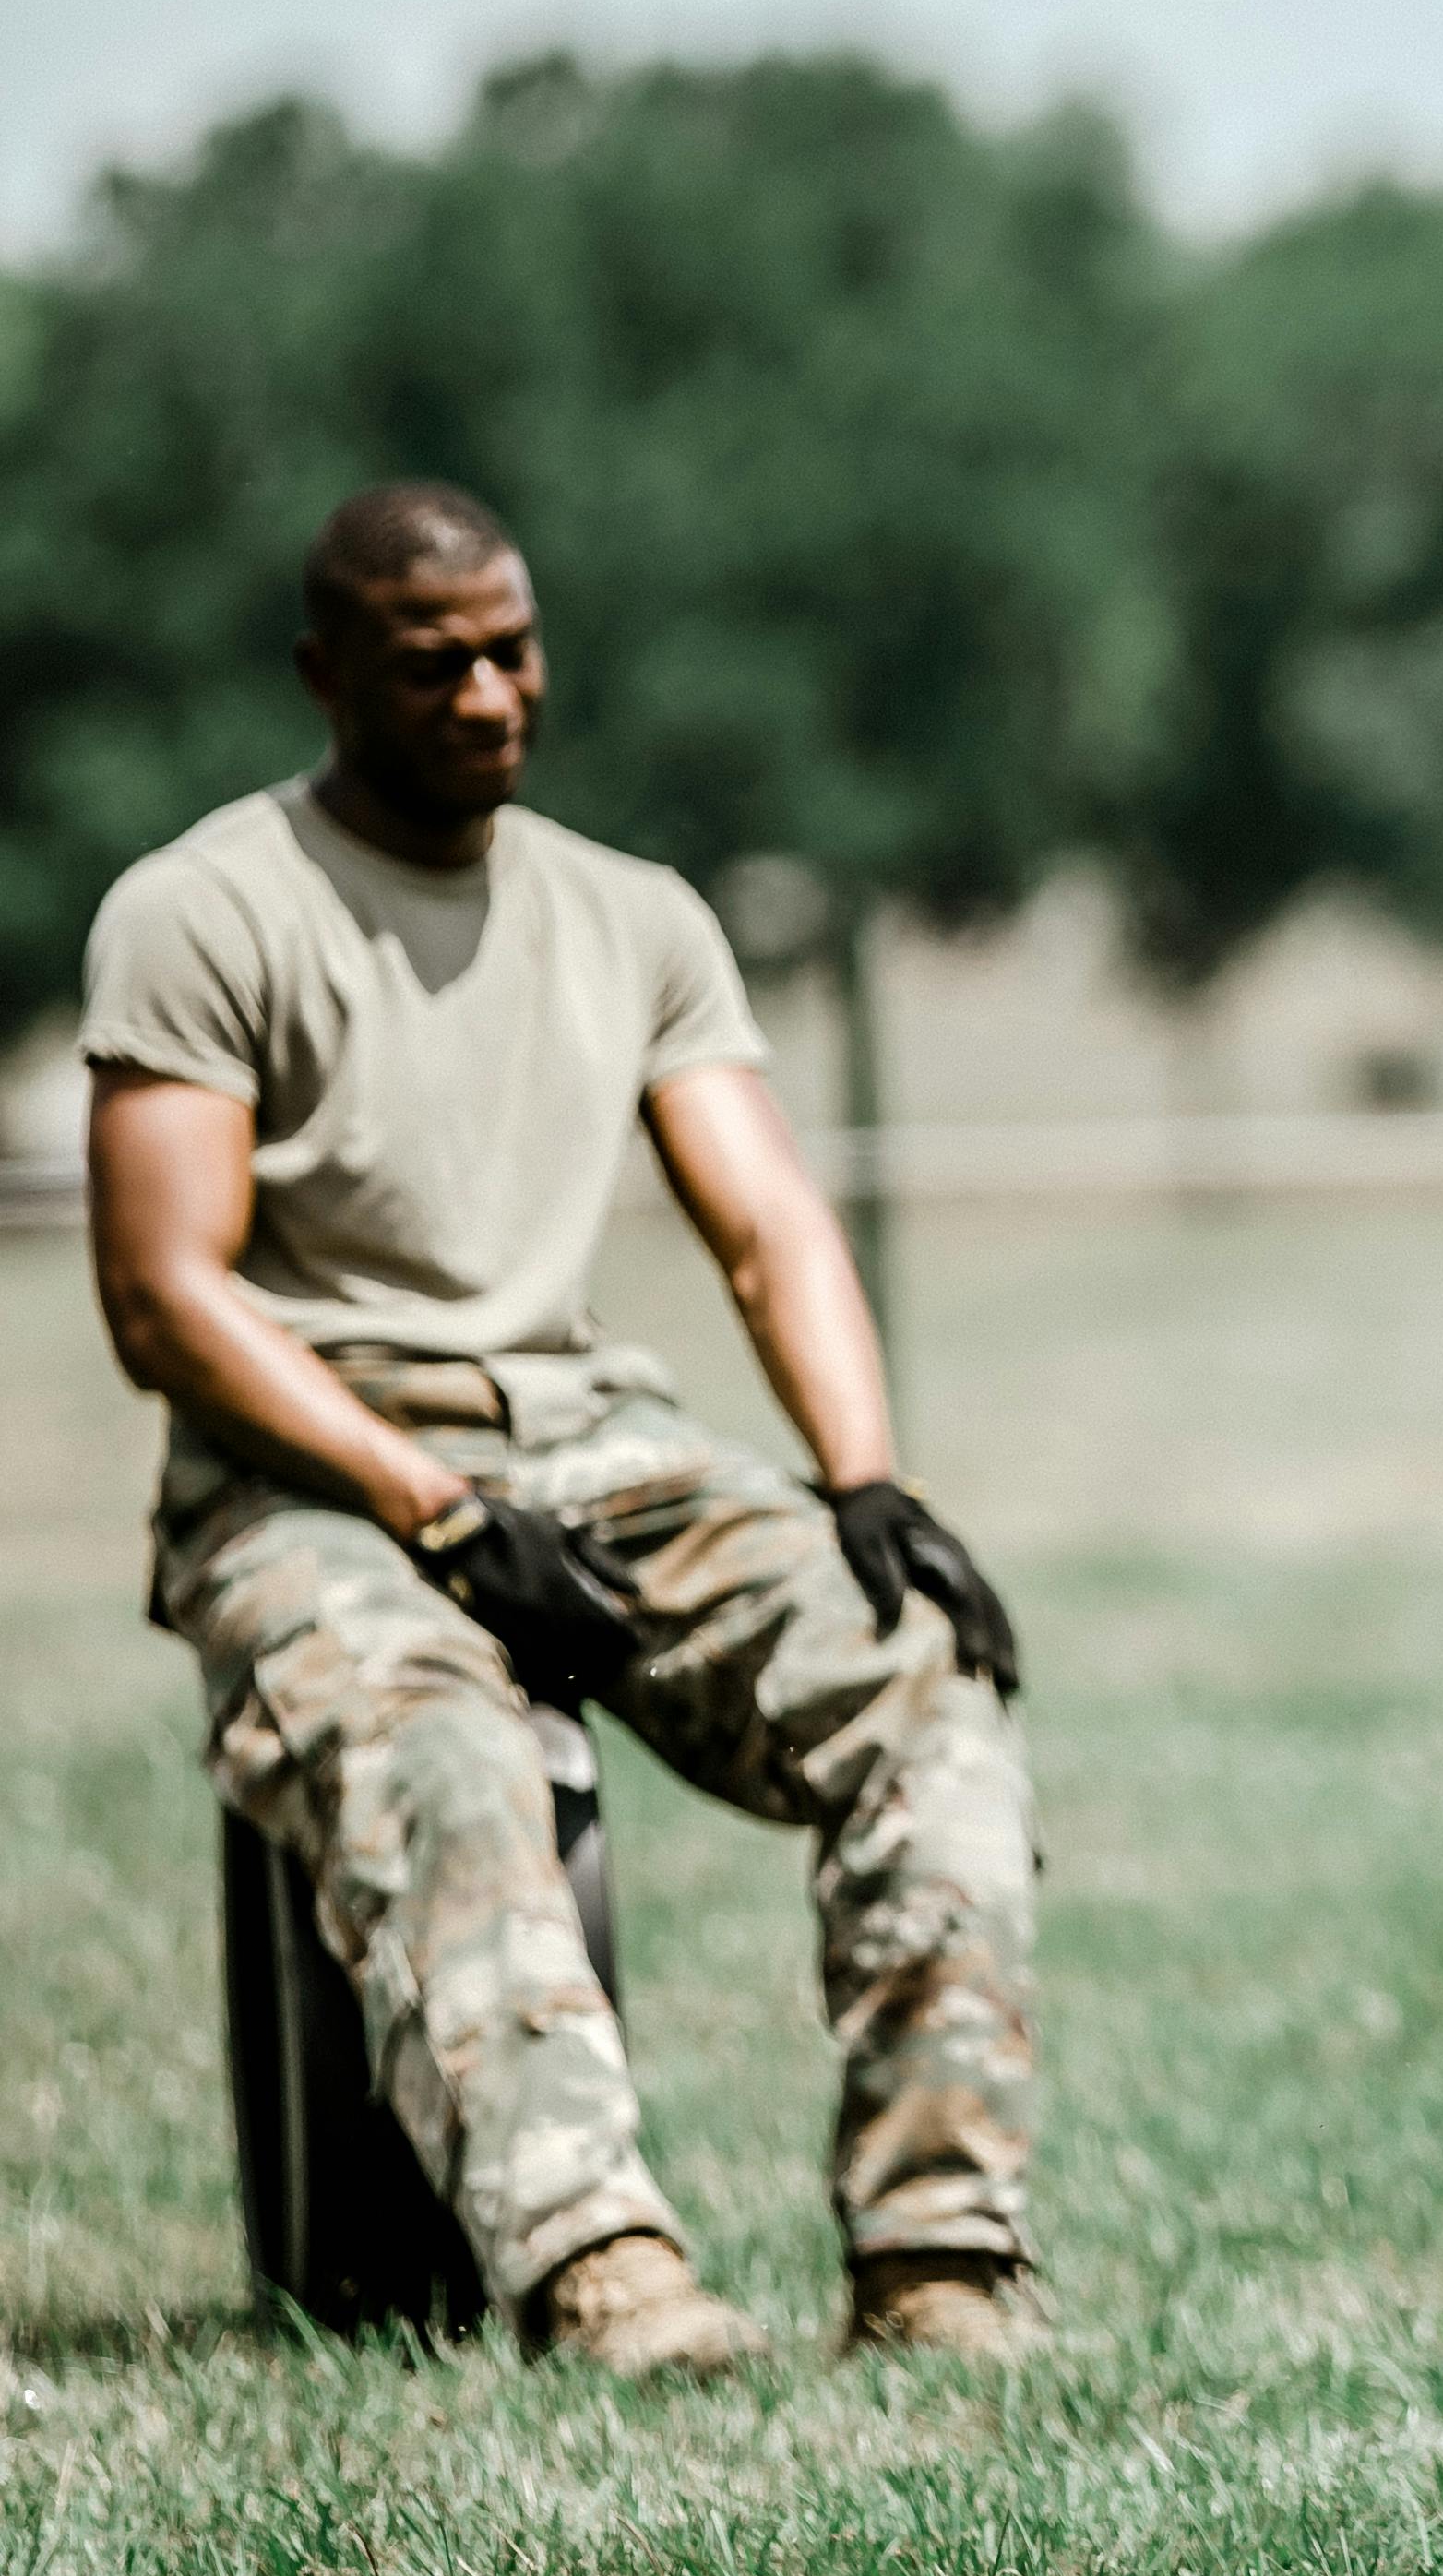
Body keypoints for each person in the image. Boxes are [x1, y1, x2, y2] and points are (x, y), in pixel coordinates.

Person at [80, 482, 1042, 2380]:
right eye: (433, 662)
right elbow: (165, 1297)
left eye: (512, 651)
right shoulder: (203, 911)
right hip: (312, 1478)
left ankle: (938, 2266)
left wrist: (869, 1480)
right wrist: (428, 1505)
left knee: (921, 1684)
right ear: (323, 671)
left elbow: (765, 1223)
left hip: (591, 1447)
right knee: (446, 1747)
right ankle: (604, 2274)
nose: (491, 693)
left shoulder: (631, 915)